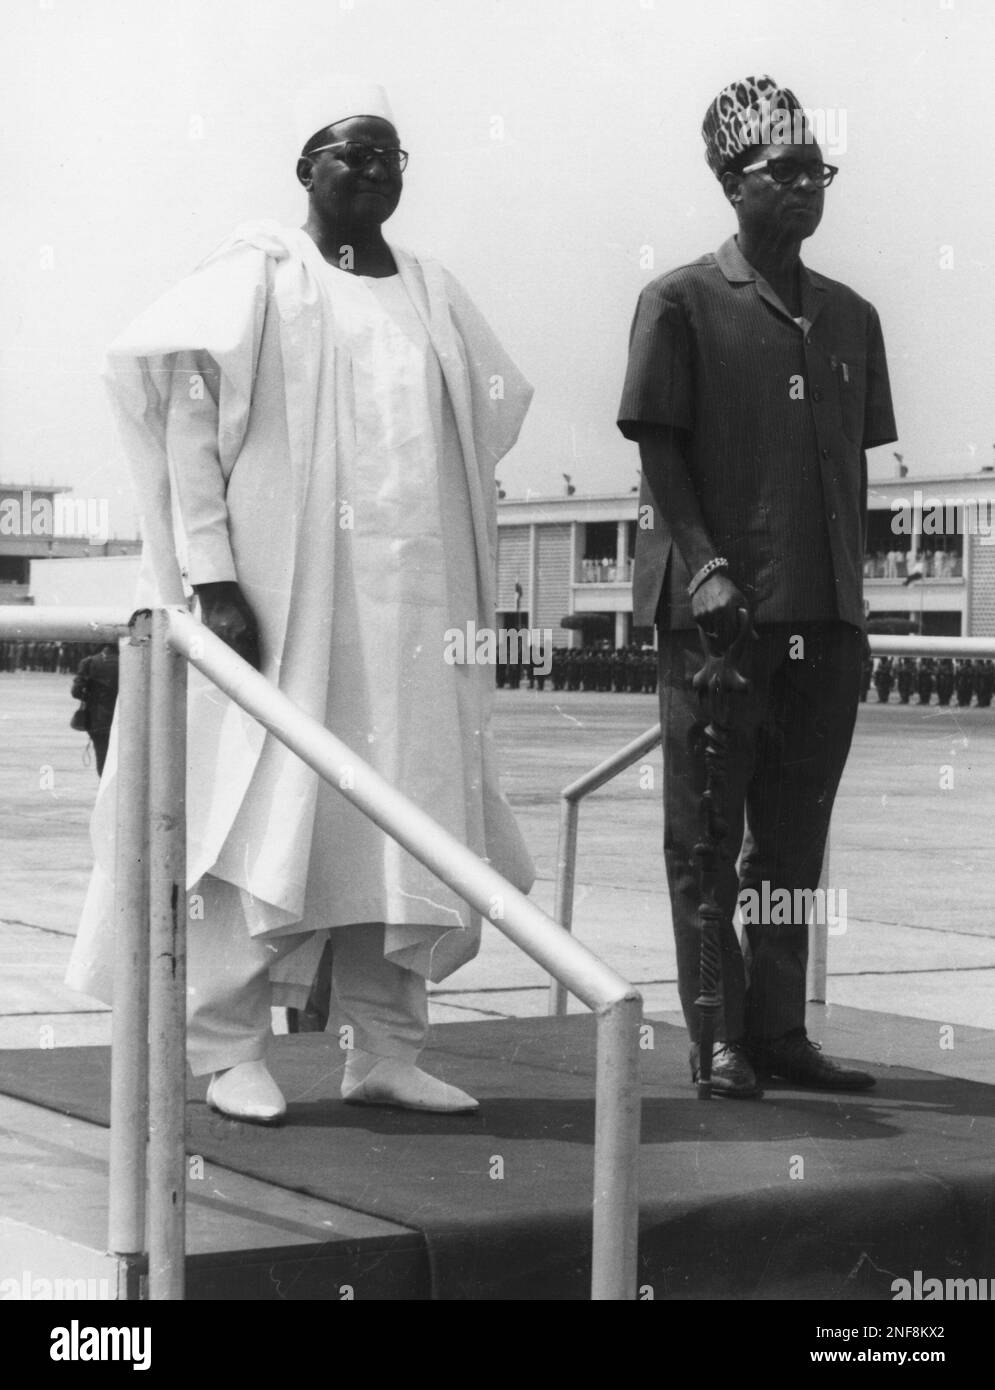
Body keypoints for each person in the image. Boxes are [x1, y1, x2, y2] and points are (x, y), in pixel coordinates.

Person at [67, 77, 534, 1123]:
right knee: (255, 819)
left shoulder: (429, 288)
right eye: (350, 153)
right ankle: (229, 1047)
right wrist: (215, 576)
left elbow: (492, 418)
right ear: (305, 171)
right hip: (284, 611)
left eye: (390, 158)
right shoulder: (260, 276)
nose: (372, 172)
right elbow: (187, 420)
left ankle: (386, 1048)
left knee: (405, 826)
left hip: (410, 619)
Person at [618, 76, 897, 1097]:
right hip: (718, 623)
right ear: (730, 182)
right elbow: (657, 447)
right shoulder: (680, 303)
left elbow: (847, 472)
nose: (805, 189)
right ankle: (716, 1035)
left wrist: (848, 604)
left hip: (822, 624)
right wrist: (704, 568)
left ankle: (777, 1028)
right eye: (784, 172)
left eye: (816, 171)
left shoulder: (850, 319)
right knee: (703, 834)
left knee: (792, 842)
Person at [70, 642, 120, 776]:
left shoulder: (90, 662)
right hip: (125, 718)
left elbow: (76, 692)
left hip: (98, 719)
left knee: (102, 757)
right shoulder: (130, 661)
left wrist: (92, 697)